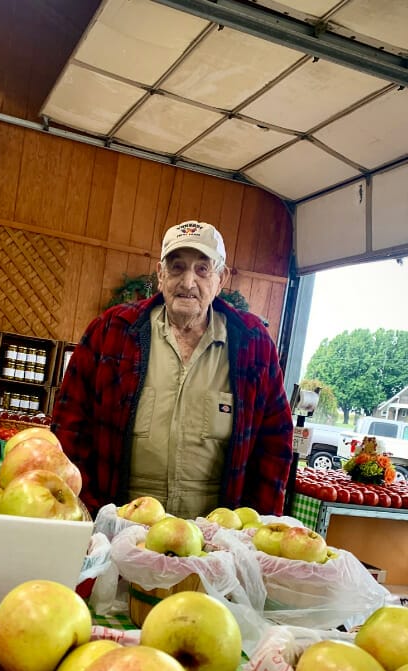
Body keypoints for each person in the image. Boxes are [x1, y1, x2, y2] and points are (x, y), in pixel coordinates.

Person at [51, 220, 294, 519]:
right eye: (177, 267)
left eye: (202, 269)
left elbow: (275, 443)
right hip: (118, 526)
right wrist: (87, 514)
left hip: (213, 542)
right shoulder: (111, 332)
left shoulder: (253, 343)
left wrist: (255, 529)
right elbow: (69, 428)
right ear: (160, 273)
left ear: (221, 277)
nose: (188, 282)